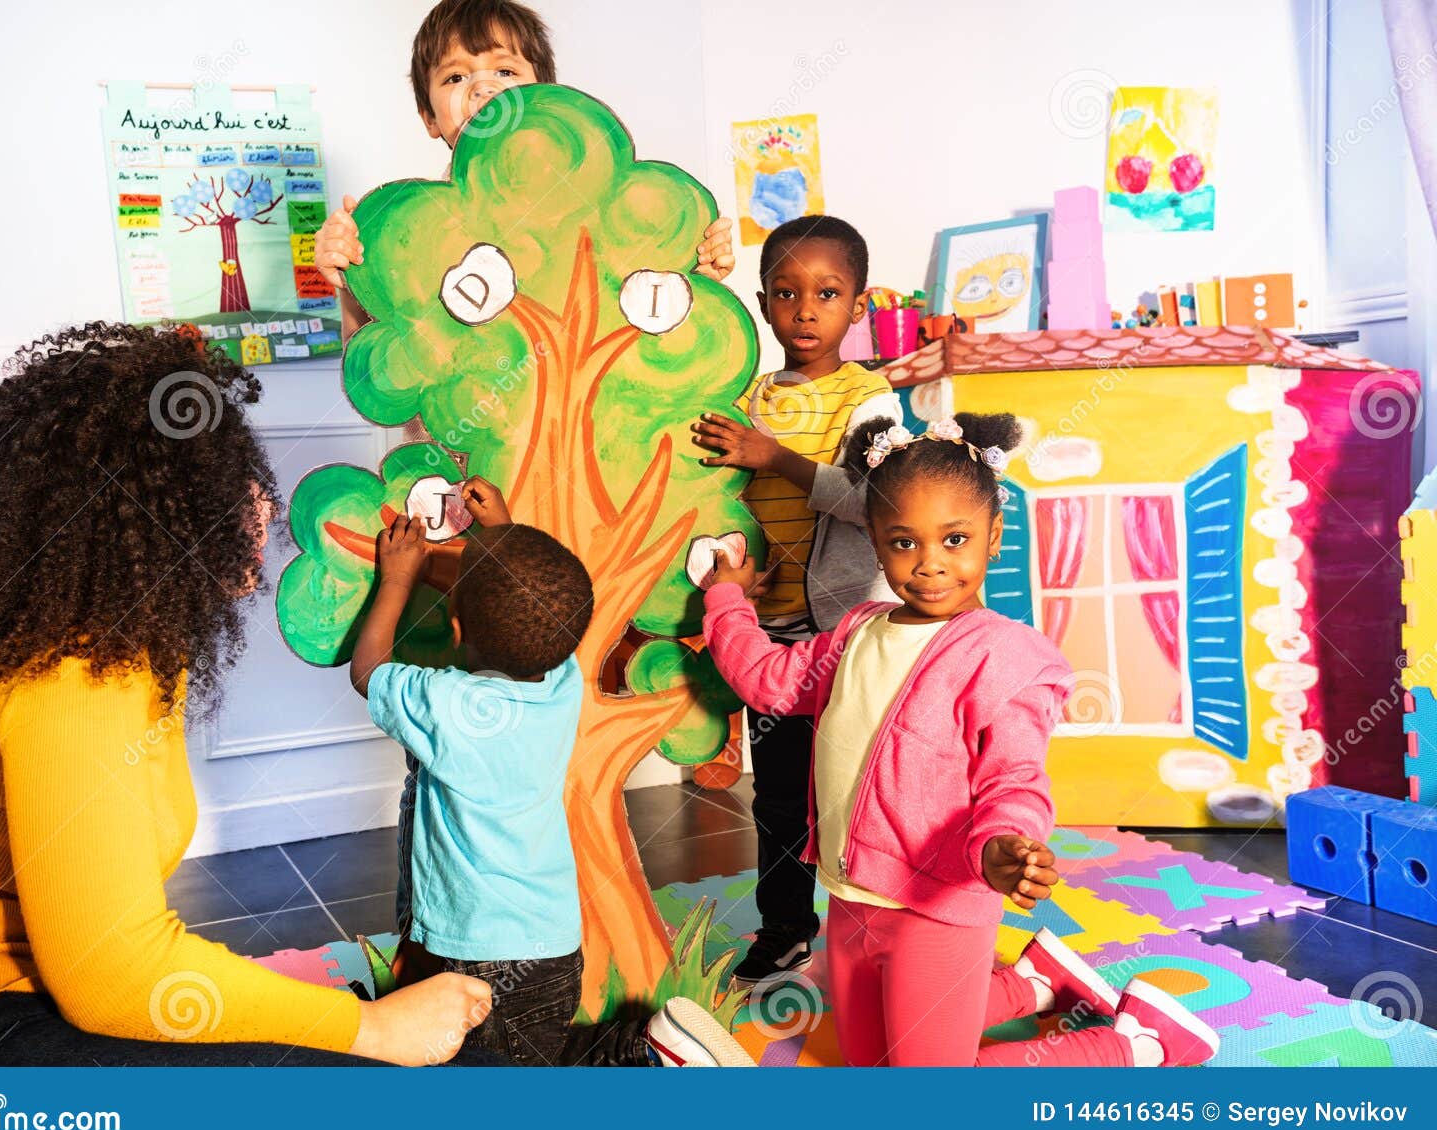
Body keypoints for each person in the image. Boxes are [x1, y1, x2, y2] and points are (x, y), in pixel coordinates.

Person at [0, 323, 494, 1066]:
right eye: (219, 473)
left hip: (13, 993)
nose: (259, 496)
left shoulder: (130, 649)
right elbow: (113, 975)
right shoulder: (78, 675)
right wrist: (373, 1028)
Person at [313, 0, 737, 941]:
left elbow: (664, 343)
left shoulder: (600, 210)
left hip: (569, 537)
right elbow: (378, 371)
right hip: (468, 528)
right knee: (452, 745)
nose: (480, 93)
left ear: (544, 89)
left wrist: (703, 261)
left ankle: (574, 942)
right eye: (455, 79)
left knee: (567, 729)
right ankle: (435, 938)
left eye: (502, 71)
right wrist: (347, 279)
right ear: (429, 116)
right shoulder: (416, 229)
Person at [701, 411, 1223, 1067]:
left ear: (993, 535)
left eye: (954, 539)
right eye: (902, 542)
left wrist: (1002, 846)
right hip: (850, 897)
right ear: (873, 539)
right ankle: (1032, 981)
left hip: (939, 906)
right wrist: (727, 602)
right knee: (872, 1069)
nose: (928, 565)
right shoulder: (858, 629)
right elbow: (774, 683)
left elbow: (1014, 779)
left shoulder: (1004, 656)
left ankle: (1132, 1043)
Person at [350, 479, 752, 1066]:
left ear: (457, 628)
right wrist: (500, 532)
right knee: (535, 1053)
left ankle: (641, 1057)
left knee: (496, 1077)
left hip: (475, 955)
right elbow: (534, 614)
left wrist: (397, 578)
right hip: (552, 942)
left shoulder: (450, 706)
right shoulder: (561, 683)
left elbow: (369, 671)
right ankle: (638, 1047)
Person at [688, 214, 901, 987]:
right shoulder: (747, 390)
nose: (805, 310)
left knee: (850, 782)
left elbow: (875, 500)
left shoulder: (869, 398)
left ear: (858, 303)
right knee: (777, 795)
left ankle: (872, 923)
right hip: (764, 629)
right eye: (785, 292)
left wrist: (772, 455)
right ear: (763, 299)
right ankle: (785, 928)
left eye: (827, 293)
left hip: (839, 632)